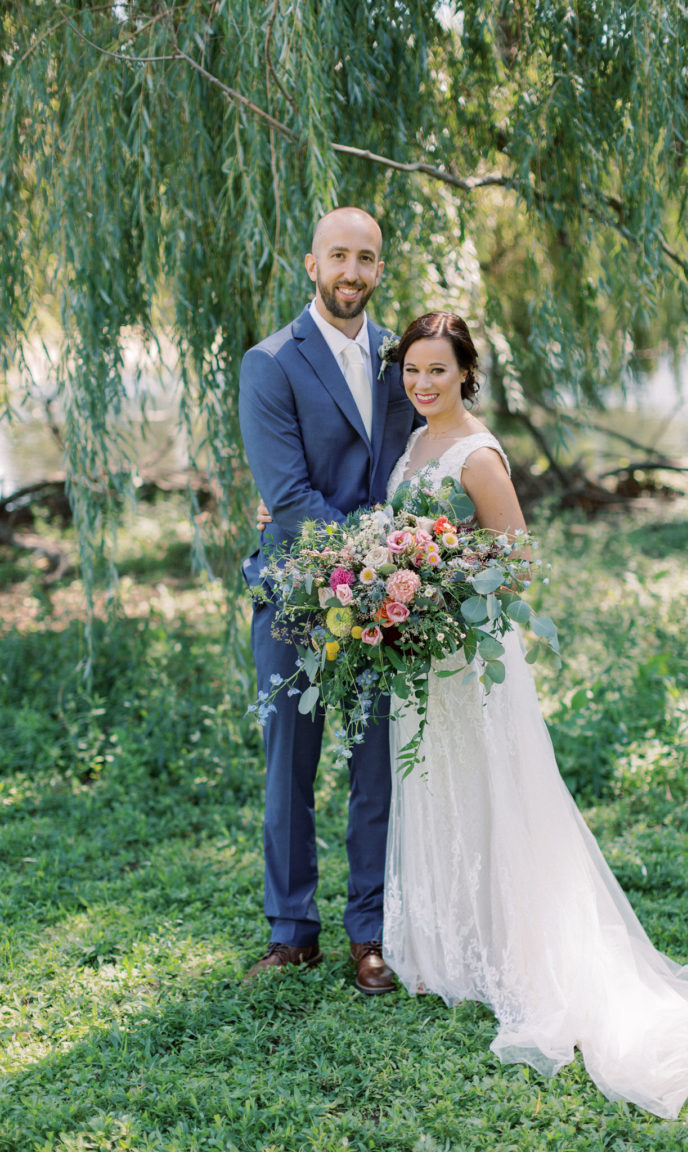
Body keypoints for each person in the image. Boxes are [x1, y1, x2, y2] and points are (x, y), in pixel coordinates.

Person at [382, 311, 688, 1118]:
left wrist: (441, 588)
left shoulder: (475, 454)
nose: (422, 383)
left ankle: (518, 957)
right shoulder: (414, 443)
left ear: (466, 376)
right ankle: (450, 950)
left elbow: (517, 558)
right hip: (422, 662)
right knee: (439, 788)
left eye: (438, 372)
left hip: (466, 654)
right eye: (413, 370)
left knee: (498, 799)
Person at [238, 207, 420, 992]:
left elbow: (415, 470)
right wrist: (380, 550)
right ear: (310, 264)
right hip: (294, 593)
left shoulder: (401, 363)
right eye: (338, 256)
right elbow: (289, 495)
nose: (353, 271)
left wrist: (404, 559)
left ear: (380, 269)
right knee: (291, 766)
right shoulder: (270, 363)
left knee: (378, 764)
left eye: (368, 259)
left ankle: (369, 934)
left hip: (385, 605)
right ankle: (292, 932)